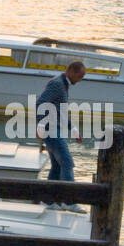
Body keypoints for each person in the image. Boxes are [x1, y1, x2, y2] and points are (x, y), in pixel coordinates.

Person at [35, 60, 86, 204]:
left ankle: (49, 201)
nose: (80, 80)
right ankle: (70, 202)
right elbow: (40, 104)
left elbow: (60, 111)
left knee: (57, 166)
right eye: (79, 76)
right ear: (71, 72)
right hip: (50, 130)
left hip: (54, 129)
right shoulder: (57, 84)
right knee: (67, 163)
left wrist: (73, 129)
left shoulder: (64, 84)